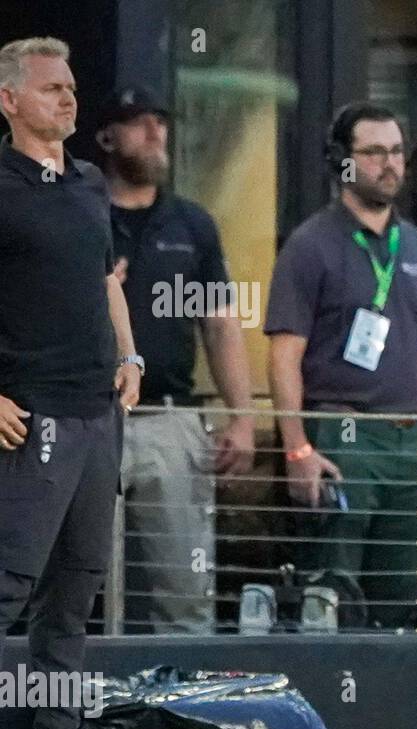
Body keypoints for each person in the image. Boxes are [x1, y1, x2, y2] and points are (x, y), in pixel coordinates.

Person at [0, 37, 144, 729]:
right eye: (51, 87)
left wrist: (131, 356)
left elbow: (106, 279)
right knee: (8, 581)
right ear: (9, 100)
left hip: (97, 411)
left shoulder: (90, 181)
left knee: (76, 584)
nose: (68, 98)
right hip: (34, 413)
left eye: (71, 85)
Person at [265, 102, 417, 629]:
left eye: (396, 152)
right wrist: (296, 447)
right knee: (335, 596)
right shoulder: (310, 245)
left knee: (405, 601)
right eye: (373, 152)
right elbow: (284, 354)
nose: (389, 164)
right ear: (341, 162)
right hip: (346, 435)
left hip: (413, 438)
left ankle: (389, 710)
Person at [96, 85, 255, 634]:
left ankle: (182, 713)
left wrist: (243, 417)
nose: (156, 132)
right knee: (77, 582)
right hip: (87, 416)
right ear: (108, 136)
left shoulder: (192, 224)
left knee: (183, 591)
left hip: (171, 417)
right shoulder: (77, 211)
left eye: (161, 123)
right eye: (140, 122)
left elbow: (220, 324)